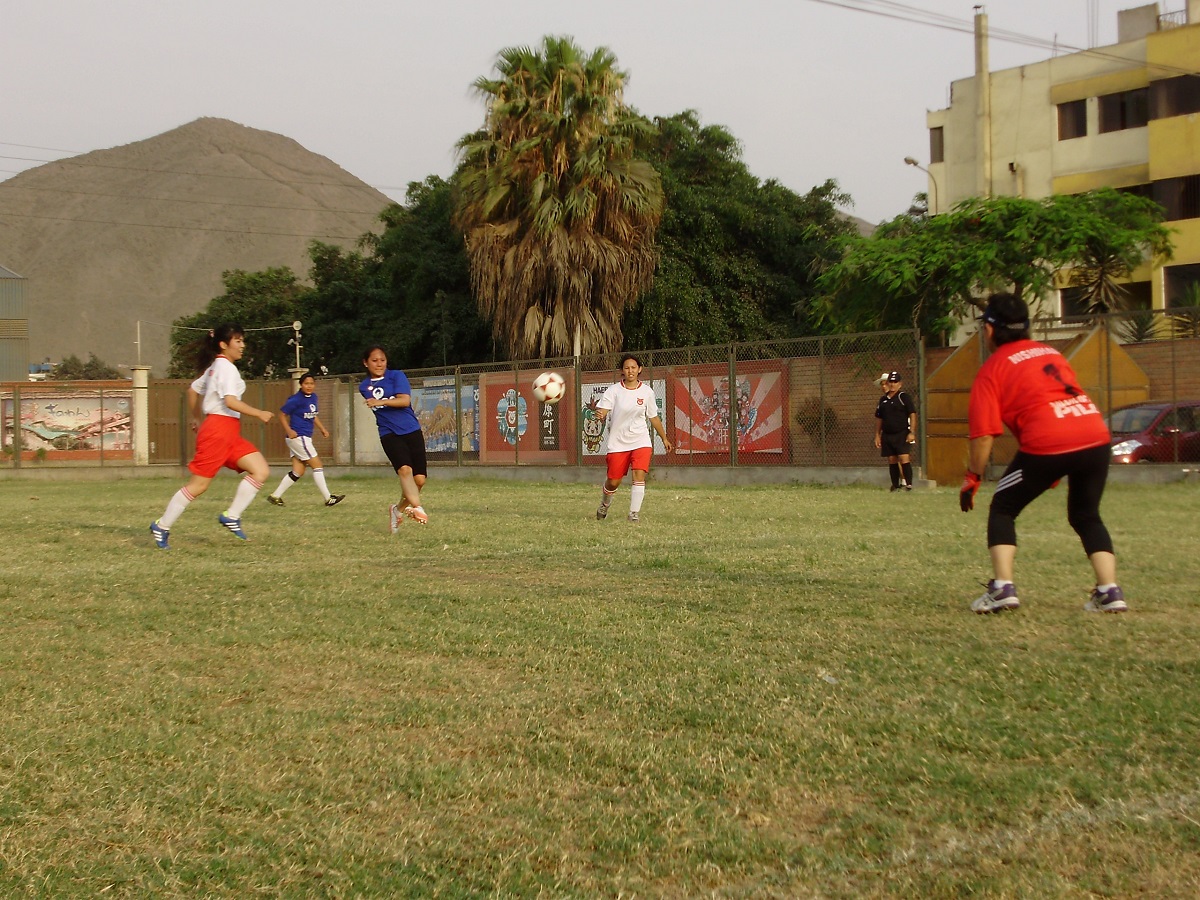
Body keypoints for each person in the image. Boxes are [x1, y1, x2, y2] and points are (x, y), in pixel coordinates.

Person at [959, 292, 1126, 614]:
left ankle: (1002, 588)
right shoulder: (1050, 352)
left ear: (990, 330)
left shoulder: (992, 369)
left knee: (1003, 508)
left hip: (1049, 443)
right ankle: (1109, 590)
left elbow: (983, 437)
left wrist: (972, 477)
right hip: (1095, 436)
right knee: (1086, 514)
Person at [150, 324, 274, 548]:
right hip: (218, 431)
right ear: (223, 345)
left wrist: (197, 418)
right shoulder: (225, 368)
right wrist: (259, 413)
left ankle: (232, 516)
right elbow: (230, 401)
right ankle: (162, 526)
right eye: (238, 341)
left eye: (242, 340)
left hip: (227, 431)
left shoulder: (215, 367)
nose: (242, 345)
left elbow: (192, 390)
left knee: (261, 470)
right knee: (198, 486)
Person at [593, 354, 673, 523]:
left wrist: (664, 438)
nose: (630, 371)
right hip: (618, 443)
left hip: (640, 440)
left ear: (639, 370)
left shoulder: (647, 392)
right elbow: (603, 410)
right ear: (622, 371)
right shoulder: (613, 391)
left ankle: (633, 514)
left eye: (634, 367)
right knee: (613, 482)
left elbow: (653, 417)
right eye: (627, 368)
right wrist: (600, 414)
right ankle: (604, 504)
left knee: (639, 475)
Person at [359, 346, 429, 530]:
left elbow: (404, 401)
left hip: (411, 429)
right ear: (365, 363)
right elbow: (376, 398)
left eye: (382, 359)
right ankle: (418, 508)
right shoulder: (364, 386)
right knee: (404, 470)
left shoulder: (397, 376)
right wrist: (379, 401)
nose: (379, 364)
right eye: (374, 360)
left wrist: (381, 401)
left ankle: (397, 510)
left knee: (419, 480)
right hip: (388, 432)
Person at [265, 372, 345, 508]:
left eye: (311, 383)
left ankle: (275, 496)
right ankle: (328, 498)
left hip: (302, 438)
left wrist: (322, 429)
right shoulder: (296, 399)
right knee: (318, 465)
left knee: (298, 471)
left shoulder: (313, 397)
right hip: (298, 437)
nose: (309, 386)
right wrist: (289, 431)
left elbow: (313, 415)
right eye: (306, 383)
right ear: (301, 385)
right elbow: (282, 415)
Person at [874, 371, 917, 491]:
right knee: (892, 460)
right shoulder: (882, 400)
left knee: (904, 458)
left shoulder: (903, 397)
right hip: (888, 434)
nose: (892, 384)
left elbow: (912, 414)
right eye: (890, 382)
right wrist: (877, 435)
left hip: (902, 433)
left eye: (895, 382)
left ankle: (908, 484)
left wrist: (912, 432)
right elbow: (879, 418)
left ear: (900, 384)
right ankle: (895, 485)